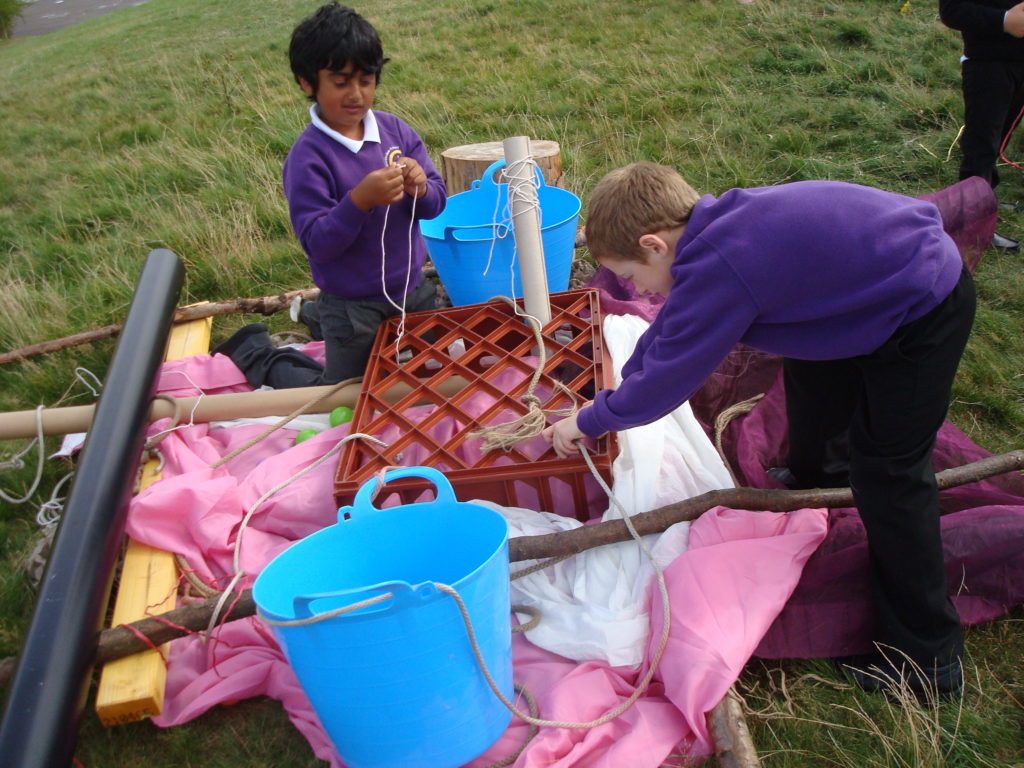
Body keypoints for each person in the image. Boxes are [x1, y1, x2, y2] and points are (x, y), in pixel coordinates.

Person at [543, 162, 976, 698]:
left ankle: (929, 660)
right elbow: (669, 334)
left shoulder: (722, 268)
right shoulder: (708, 232)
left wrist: (592, 419)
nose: (634, 288)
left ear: (654, 245)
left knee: (890, 473)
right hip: (861, 285)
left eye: (629, 277)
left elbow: (664, 387)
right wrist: (621, 385)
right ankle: (817, 475)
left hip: (921, 304)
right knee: (809, 376)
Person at [214, 2, 446, 388]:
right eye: (340, 82)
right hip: (351, 304)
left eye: (367, 80)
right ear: (307, 82)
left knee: (432, 376)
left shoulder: (396, 132)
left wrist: (420, 186)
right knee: (343, 395)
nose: (356, 94)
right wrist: (359, 201)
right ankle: (253, 351)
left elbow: (437, 203)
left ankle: (315, 317)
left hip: (412, 290)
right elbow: (318, 243)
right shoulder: (308, 158)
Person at [939, 0, 1024, 251]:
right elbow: (952, 11)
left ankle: (985, 199)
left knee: (999, 137)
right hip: (987, 65)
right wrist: (1004, 21)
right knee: (982, 143)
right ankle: (971, 228)